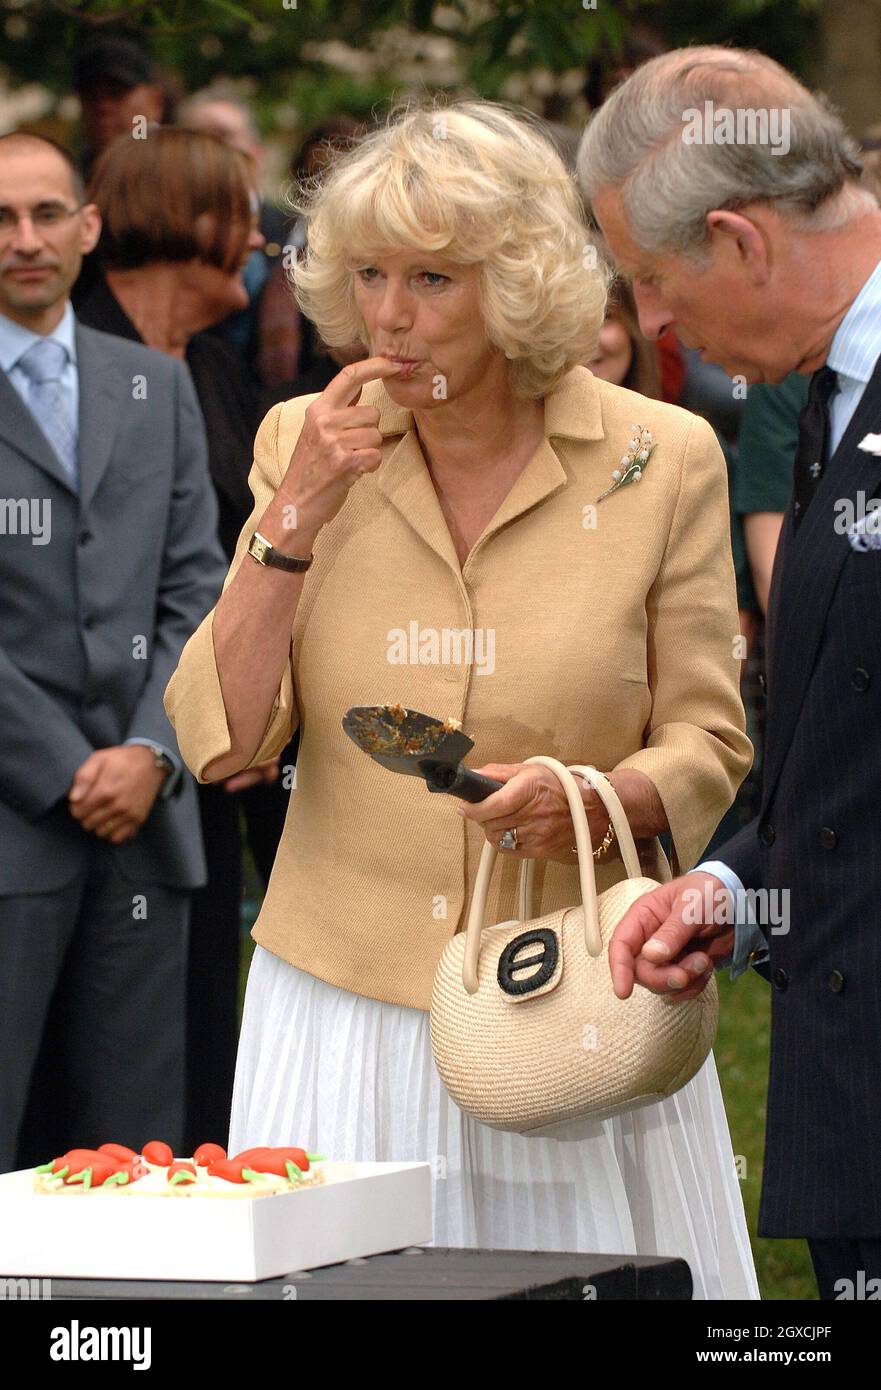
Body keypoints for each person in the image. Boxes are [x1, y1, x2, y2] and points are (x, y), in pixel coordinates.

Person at [164, 101, 756, 1298]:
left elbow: (709, 734)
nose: (387, 314)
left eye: (432, 276)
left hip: (572, 995)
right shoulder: (304, 439)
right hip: (344, 1001)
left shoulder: (662, 456)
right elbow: (221, 740)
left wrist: (600, 800)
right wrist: (294, 519)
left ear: (522, 279)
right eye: (369, 273)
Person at [579, 44, 881, 1300]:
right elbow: (837, 730)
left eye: (650, 279)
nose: (648, 321)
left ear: (737, 241)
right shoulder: (821, 393)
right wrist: (731, 884)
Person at [0, 132, 226, 1169]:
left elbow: (196, 586)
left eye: (47, 213)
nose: (25, 239)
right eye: (2, 219)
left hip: (148, 820)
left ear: (88, 228)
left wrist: (148, 750)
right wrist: (66, 768)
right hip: (15, 817)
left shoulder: (152, 384)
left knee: (137, 1154)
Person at [75, 127, 296, 1151]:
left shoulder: (210, 369)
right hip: (90, 764)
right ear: (188, 221)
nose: (259, 238)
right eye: (240, 213)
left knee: (203, 1027)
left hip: (209, 755)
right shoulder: (65, 359)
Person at [177, 91, 289, 386]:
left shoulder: (299, 232)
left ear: (256, 151)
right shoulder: (168, 234)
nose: (211, 154)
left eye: (222, 138)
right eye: (197, 141)